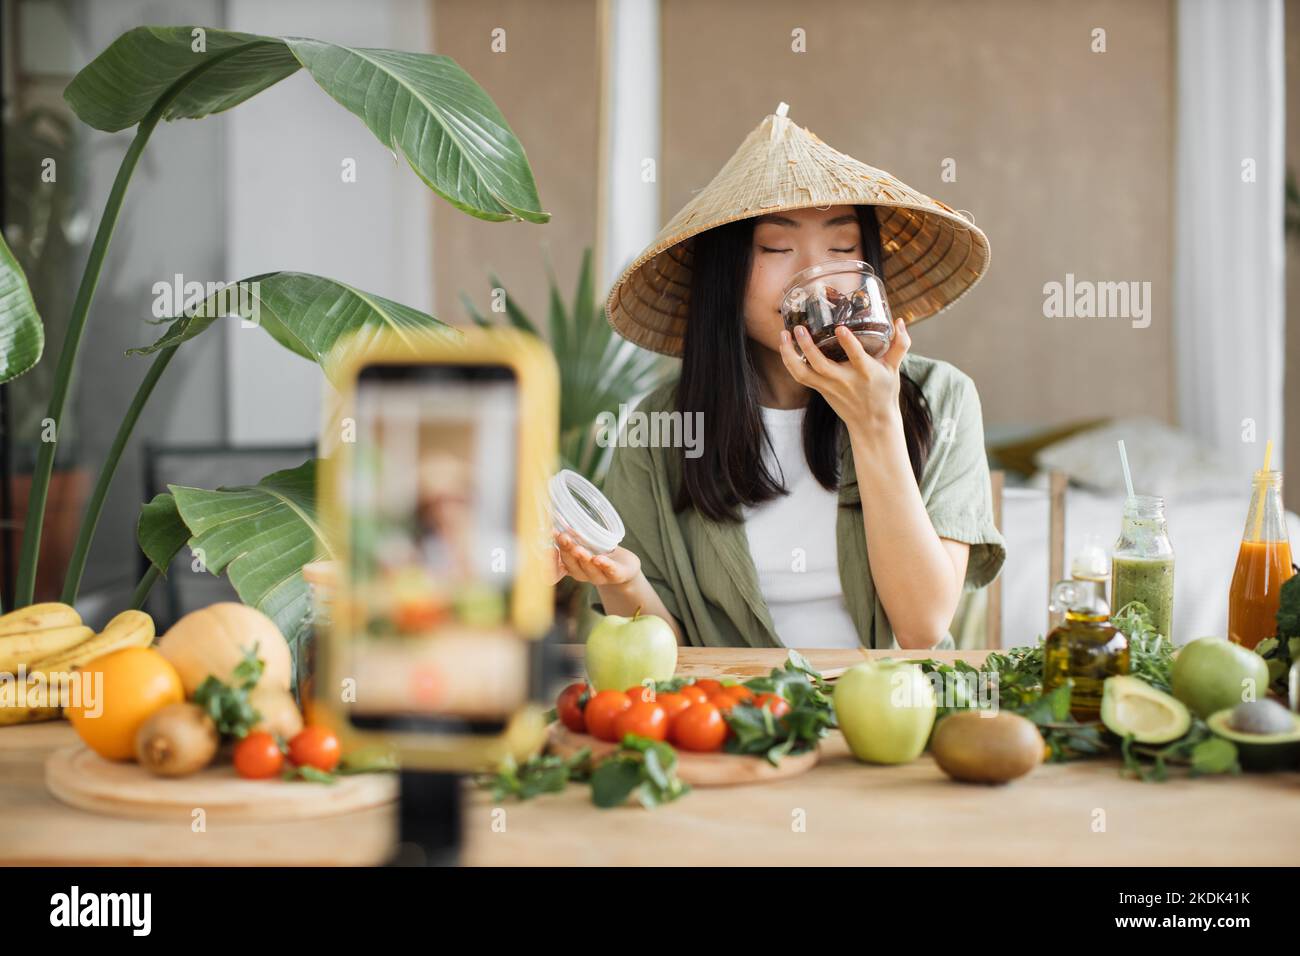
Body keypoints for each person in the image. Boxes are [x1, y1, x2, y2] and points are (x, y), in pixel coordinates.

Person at [557, 104, 1005, 650]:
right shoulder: (661, 429)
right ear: (726, 276)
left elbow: (921, 628)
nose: (816, 279)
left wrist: (875, 423)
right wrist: (627, 583)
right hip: (732, 723)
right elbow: (667, 656)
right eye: (776, 248)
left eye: (843, 249)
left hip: (895, 719)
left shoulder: (943, 398)